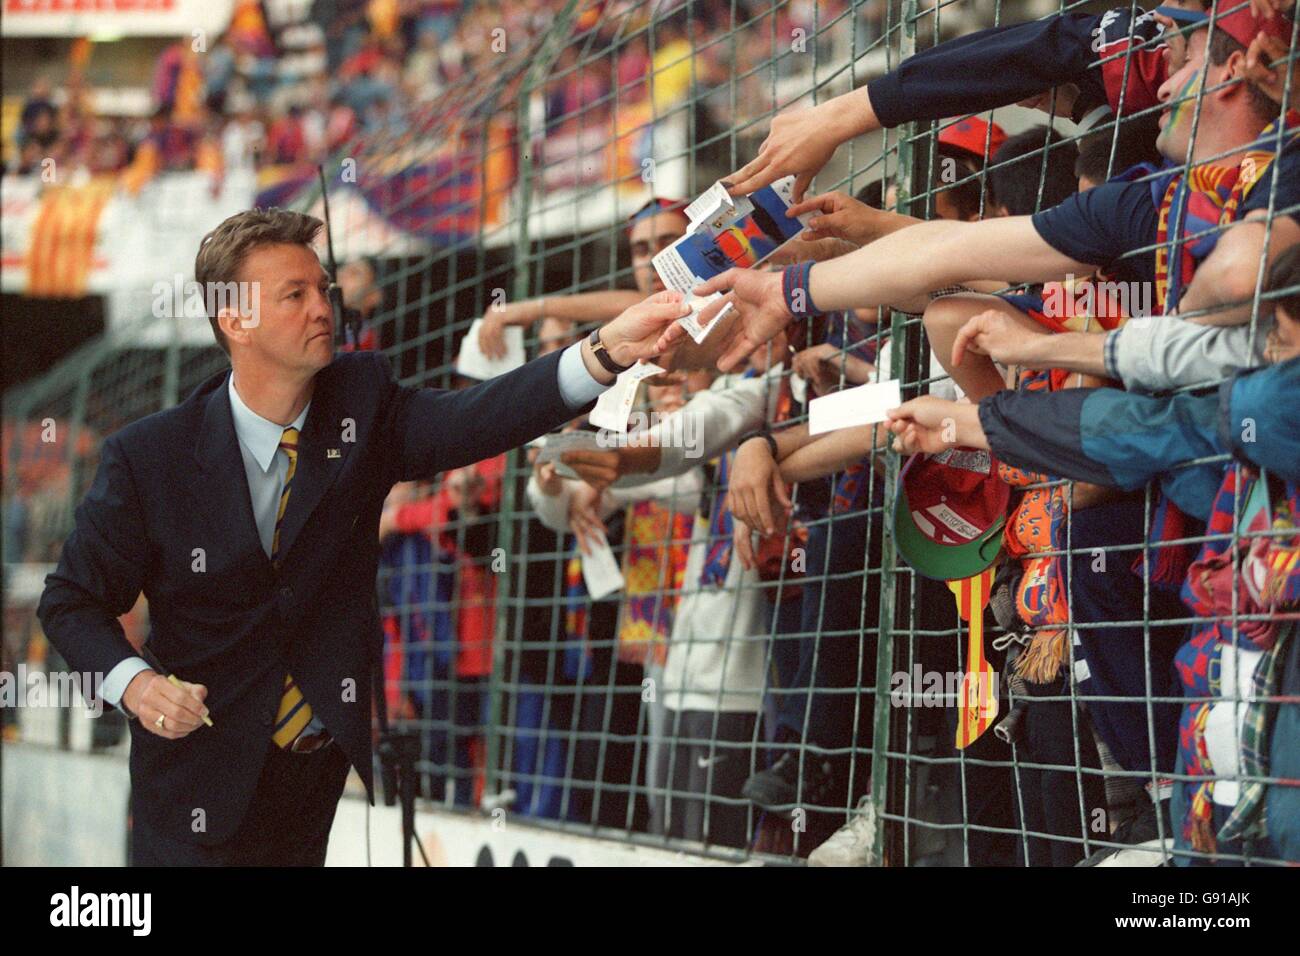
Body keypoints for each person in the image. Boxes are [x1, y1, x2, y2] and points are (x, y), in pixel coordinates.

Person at [36, 207, 687, 866]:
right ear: (235, 320)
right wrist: (135, 685)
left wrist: (604, 352)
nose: (323, 308)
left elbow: (476, 418)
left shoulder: (361, 403)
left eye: (323, 289)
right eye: (295, 295)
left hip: (309, 777)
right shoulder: (149, 457)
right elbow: (70, 601)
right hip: (191, 788)